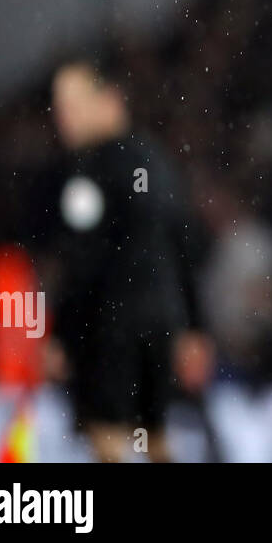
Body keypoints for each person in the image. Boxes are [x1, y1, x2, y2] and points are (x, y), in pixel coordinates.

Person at [44, 56, 213, 462]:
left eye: (73, 104)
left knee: (107, 440)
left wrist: (62, 333)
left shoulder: (87, 171)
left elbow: (83, 261)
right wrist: (192, 325)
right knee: (153, 438)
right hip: (161, 322)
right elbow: (183, 243)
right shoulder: (157, 159)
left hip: (109, 324)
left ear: (109, 100)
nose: (63, 117)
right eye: (59, 106)